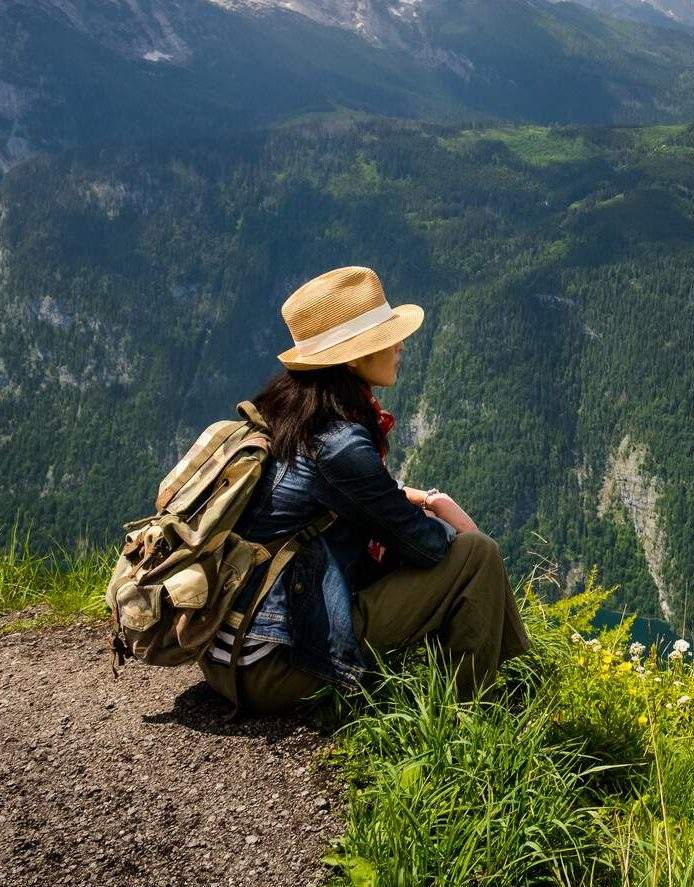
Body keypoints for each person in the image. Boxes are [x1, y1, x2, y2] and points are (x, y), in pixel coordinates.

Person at [198, 265, 529, 713]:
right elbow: (428, 548)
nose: (399, 345)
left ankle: (520, 684)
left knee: (465, 554)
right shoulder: (339, 444)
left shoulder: (287, 412)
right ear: (352, 358)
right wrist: (441, 509)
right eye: (386, 337)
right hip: (270, 667)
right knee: (478, 556)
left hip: (226, 651)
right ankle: (468, 716)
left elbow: (344, 500)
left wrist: (406, 499)